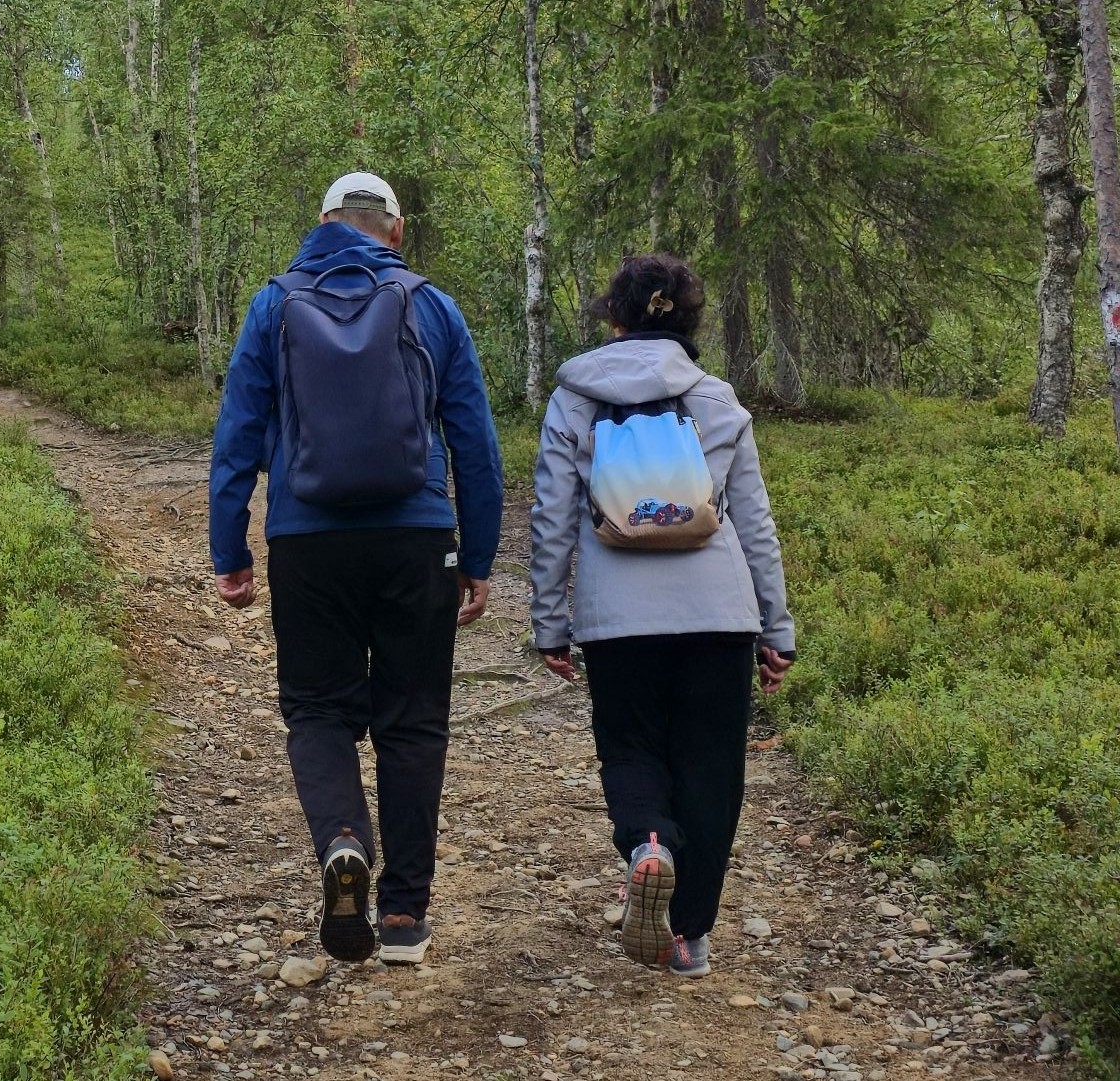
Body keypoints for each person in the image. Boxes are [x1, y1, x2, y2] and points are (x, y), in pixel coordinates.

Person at [208, 172, 504, 965]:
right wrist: (477, 554)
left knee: (317, 709)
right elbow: (474, 440)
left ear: (323, 222)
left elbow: (238, 432)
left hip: (308, 541)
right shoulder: (432, 305)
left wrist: (229, 551)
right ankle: (405, 915)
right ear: (396, 232)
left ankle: (343, 841)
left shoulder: (274, 304)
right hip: (416, 538)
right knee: (413, 719)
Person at [528, 254, 797, 978]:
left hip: (619, 619)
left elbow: (552, 518)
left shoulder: (574, 398)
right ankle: (689, 938)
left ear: (613, 321)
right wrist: (778, 629)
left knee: (631, 744)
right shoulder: (717, 398)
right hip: (719, 614)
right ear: (688, 324)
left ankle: (647, 843)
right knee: (712, 769)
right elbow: (755, 524)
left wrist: (549, 621)